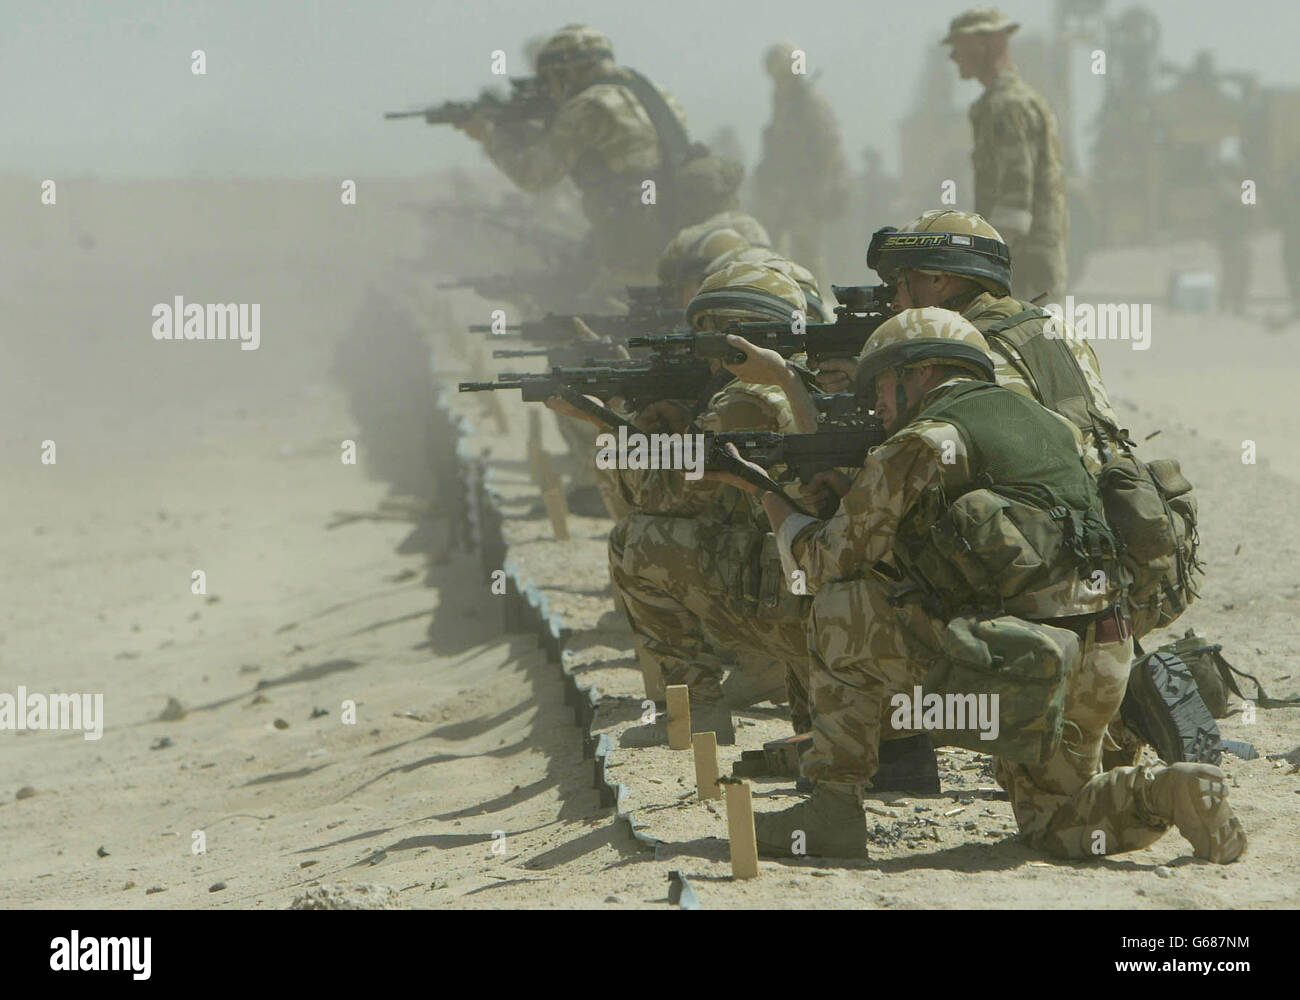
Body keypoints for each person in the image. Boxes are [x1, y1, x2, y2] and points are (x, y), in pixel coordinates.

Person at [708, 309, 1246, 863]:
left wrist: (761, 488)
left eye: (880, 387)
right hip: (1103, 650)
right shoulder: (1043, 421)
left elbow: (823, 560)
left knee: (842, 602)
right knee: (1056, 823)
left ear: (917, 372)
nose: (877, 405)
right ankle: (1166, 791)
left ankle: (832, 810)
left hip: (1016, 663)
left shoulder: (922, 439)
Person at [943, 7, 1068, 302]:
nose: (953, 56)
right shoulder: (998, 103)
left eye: (958, 45)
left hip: (1023, 264)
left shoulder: (1008, 104)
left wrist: (991, 264)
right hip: (1021, 261)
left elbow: (1016, 190)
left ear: (985, 43)